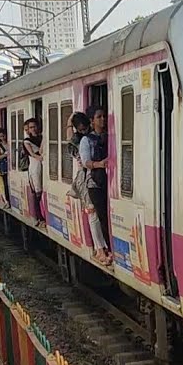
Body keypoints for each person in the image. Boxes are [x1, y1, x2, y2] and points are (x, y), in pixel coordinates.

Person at [71, 109, 112, 265]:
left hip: (108, 180)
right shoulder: (86, 140)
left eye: (104, 116)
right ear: (92, 121)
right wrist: (99, 164)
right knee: (99, 215)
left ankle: (106, 248)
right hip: (94, 182)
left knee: (104, 215)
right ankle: (103, 249)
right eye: (98, 117)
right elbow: (86, 161)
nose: (103, 119)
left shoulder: (109, 137)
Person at [21, 118, 46, 227]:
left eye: (34, 126)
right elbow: (33, 154)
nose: (33, 129)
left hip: (43, 165)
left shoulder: (42, 137)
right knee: (37, 192)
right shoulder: (27, 141)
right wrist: (40, 156)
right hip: (35, 167)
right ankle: (39, 217)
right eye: (31, 127)